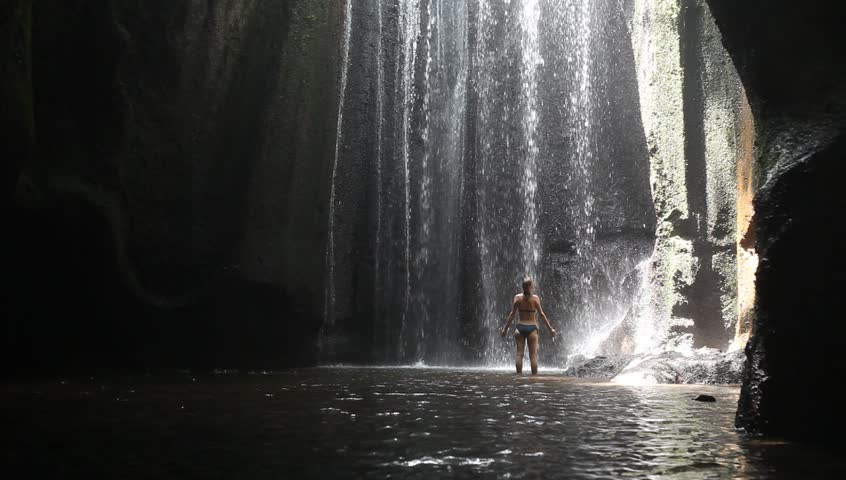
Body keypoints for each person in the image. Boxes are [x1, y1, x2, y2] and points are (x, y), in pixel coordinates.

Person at [500, 276, 556, 375]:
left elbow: (512, 314)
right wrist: (550, 329)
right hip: (532, 328)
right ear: (531, 287)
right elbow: (542, 315)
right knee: (533, 356)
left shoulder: (517, 298)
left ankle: (518, 377)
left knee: (519, 354)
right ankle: (534, 378)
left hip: (520, 328)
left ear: (522, 286)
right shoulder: (535, 299)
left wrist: (505, 329)